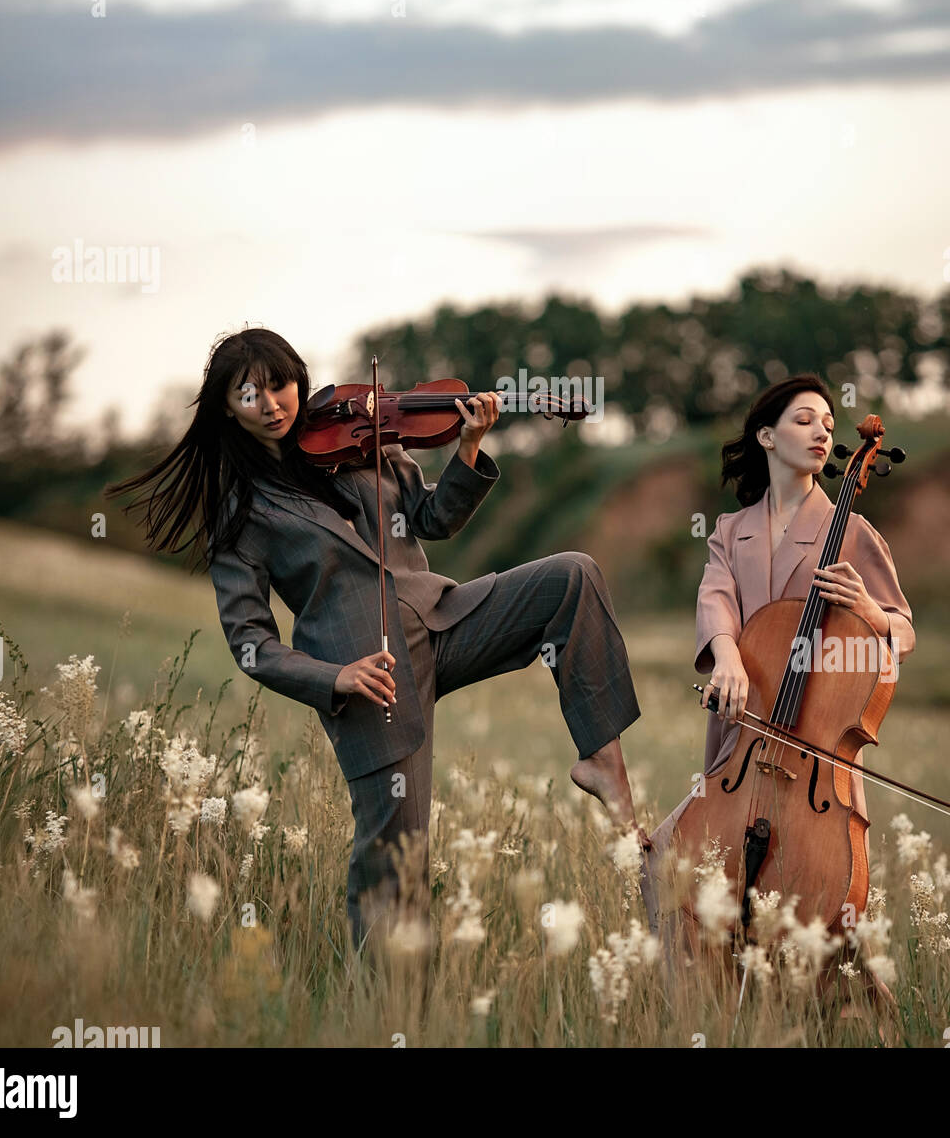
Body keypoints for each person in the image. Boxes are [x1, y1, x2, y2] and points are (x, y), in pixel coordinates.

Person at [108, 327, 645, 949]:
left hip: (444, 618)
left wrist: (468, 446)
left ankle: (600, 757)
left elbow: (432, 519)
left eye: (279, 385)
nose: (272, 403)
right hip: (370, 678)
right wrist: (333, 677)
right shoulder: (243, 511)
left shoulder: (366, 438)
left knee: (572, 576)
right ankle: (390, 1009)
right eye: (248, 394)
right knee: (396, 855)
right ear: (227, 408)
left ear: (298, 380)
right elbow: (250, 641)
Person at [648, 373, 914, 1023]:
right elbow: (715, 601)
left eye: (829, 421)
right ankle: (700, 1015)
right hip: (742, 741)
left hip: (816, 764)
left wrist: (871, 616)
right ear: (767, 436)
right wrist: (731, 656)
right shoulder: (730, 531)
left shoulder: (850, 530)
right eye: (805, 420)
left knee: (820, 935)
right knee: (666, 859)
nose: (823, 430)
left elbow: (903, 630)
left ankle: (864, 1027)